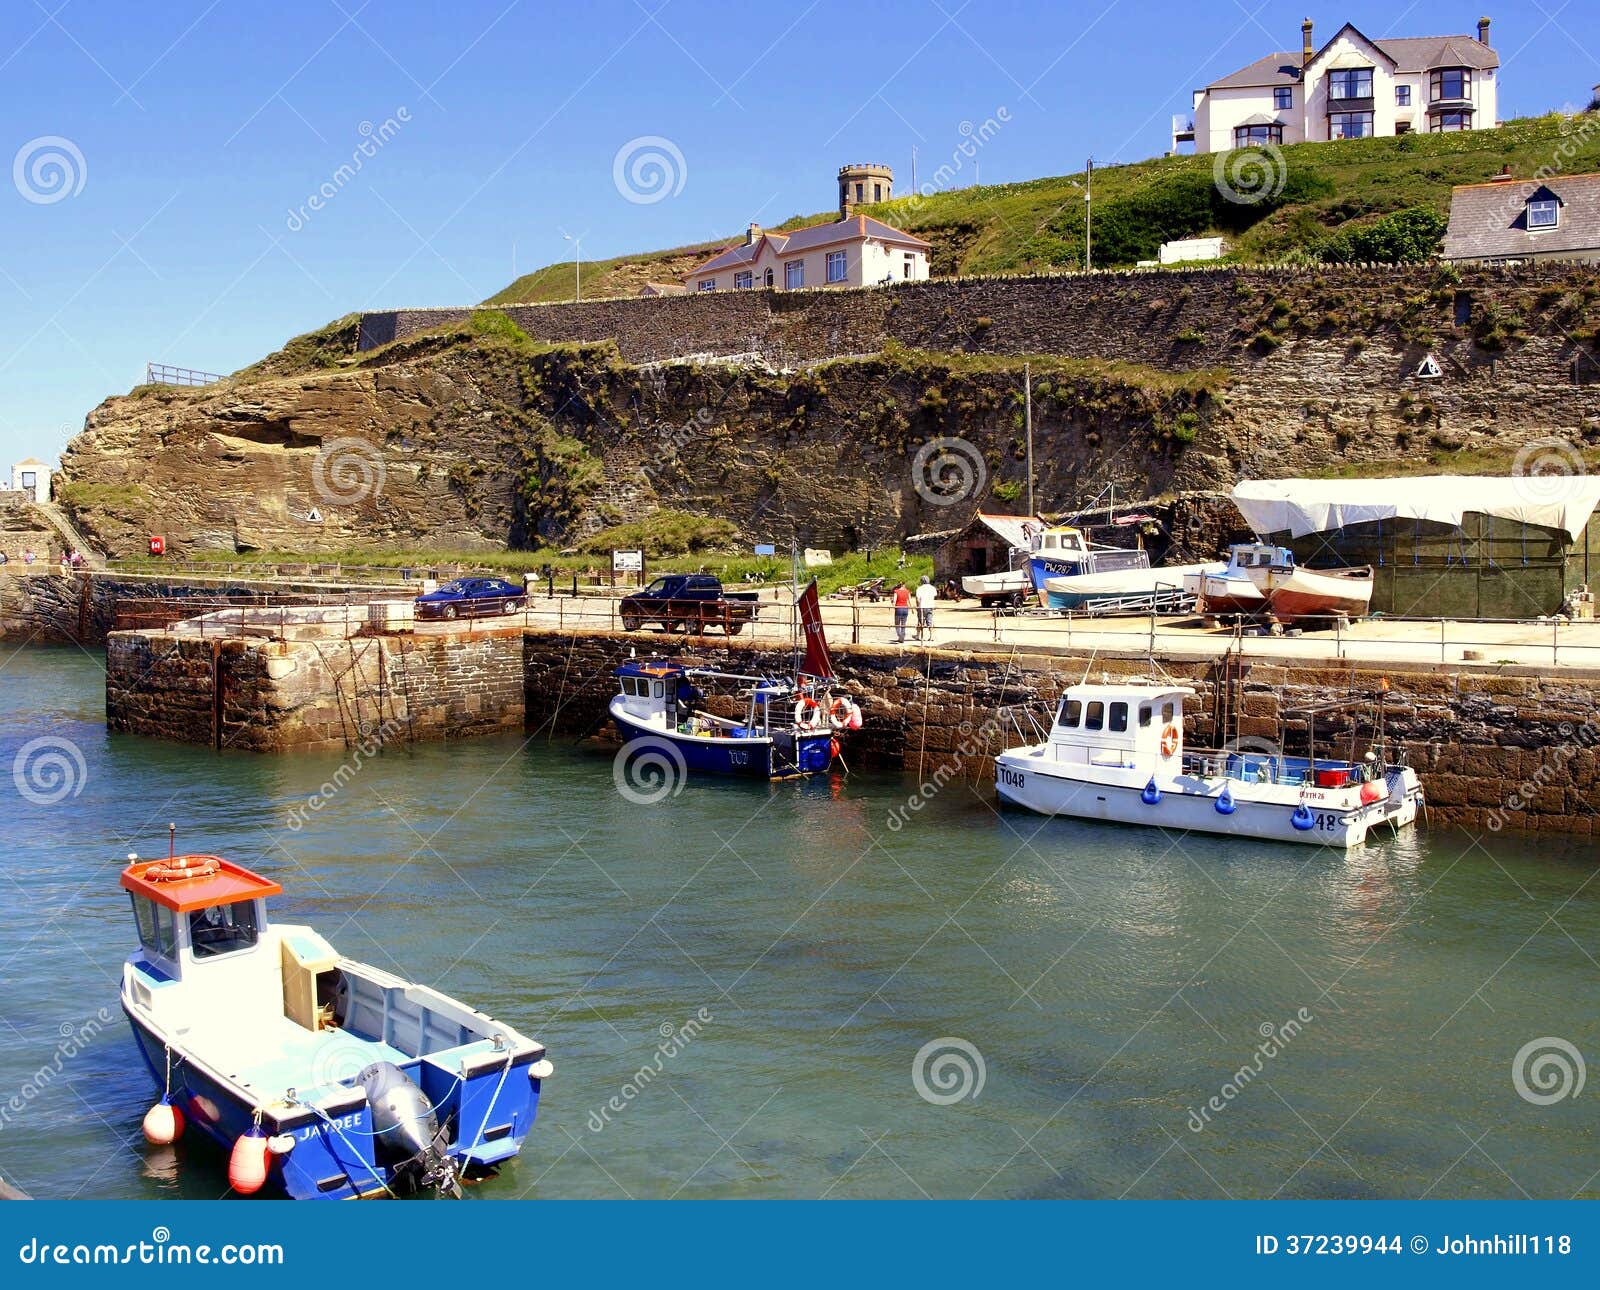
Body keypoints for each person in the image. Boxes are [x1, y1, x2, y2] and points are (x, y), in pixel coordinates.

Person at [914, 575, 936, 641]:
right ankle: (931, 636)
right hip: (930, 606)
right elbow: (933, 597)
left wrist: (918, 606)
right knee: (930, 621)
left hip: (922, 607)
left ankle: (918, 636)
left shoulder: (919, 588)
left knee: (920, 621)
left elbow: (918, 599)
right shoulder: (933, 588)